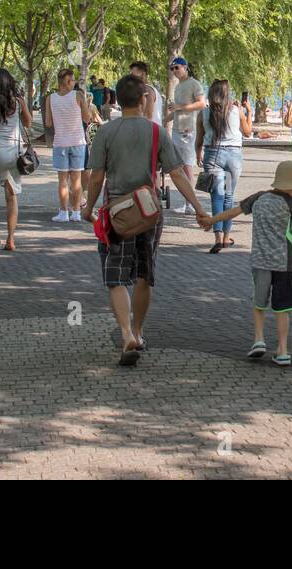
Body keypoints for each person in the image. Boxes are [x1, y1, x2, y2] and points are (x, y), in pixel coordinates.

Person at [82, 74, 208, 366]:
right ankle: (138, 332)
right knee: (143, 274)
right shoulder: (156, 132)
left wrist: (88, 207)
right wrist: (199, 208)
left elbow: (97, 176)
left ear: (116, 99)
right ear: (143, 100)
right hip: (149, 213)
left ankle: (125, 333)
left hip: (116, 214)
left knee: (115, 276)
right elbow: (177, 174)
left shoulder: (105, 132)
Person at [206, 160, 292, 367]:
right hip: (284, 263)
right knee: (282, 309)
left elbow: (234, 211)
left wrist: (210, 221)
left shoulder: (259, 197)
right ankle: (282, 350)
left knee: (259, 303)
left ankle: (258, 339)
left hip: (259, 260)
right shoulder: (291, 206)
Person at [0, 68, 32, 250]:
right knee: (11, 196)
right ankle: (11, 239)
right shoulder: (18, 102)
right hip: (14, 153)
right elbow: (28, 123)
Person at [196, 78, 251, 253]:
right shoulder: (236, 111)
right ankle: (227, 237)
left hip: (212, 155)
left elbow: (199, 138)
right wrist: (248, 111)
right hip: (234, 157)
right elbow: (248, 132)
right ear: (227, 94)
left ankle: (218, 237)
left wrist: (198, 153)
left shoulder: (203, 113)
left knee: (217, 196)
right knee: (229, 196)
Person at [46, 67, 99, 222]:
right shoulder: (78, 95)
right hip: (77, 142)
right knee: (76, 180)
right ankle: (76, 212)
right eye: (73, 80)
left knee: (62, 180)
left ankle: (63, 212)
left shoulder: (51, 98)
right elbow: (87, 118)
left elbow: (48, 123)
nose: (74, 83)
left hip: (60, 142)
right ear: (68, 81)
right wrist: (86, 106)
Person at [164, 57, 205, 213]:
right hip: (177, 129)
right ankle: (186, 202)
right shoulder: (178, 86)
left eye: (177, 68)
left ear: (185, 67)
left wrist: (179, 107)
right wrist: (167, 118)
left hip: (189, 130)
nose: (174, 71)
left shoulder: (194, 84)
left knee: (187, 167)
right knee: (179, 167)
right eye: (172, 69)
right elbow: (178, 110)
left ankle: (191, 204)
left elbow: (202, 103)